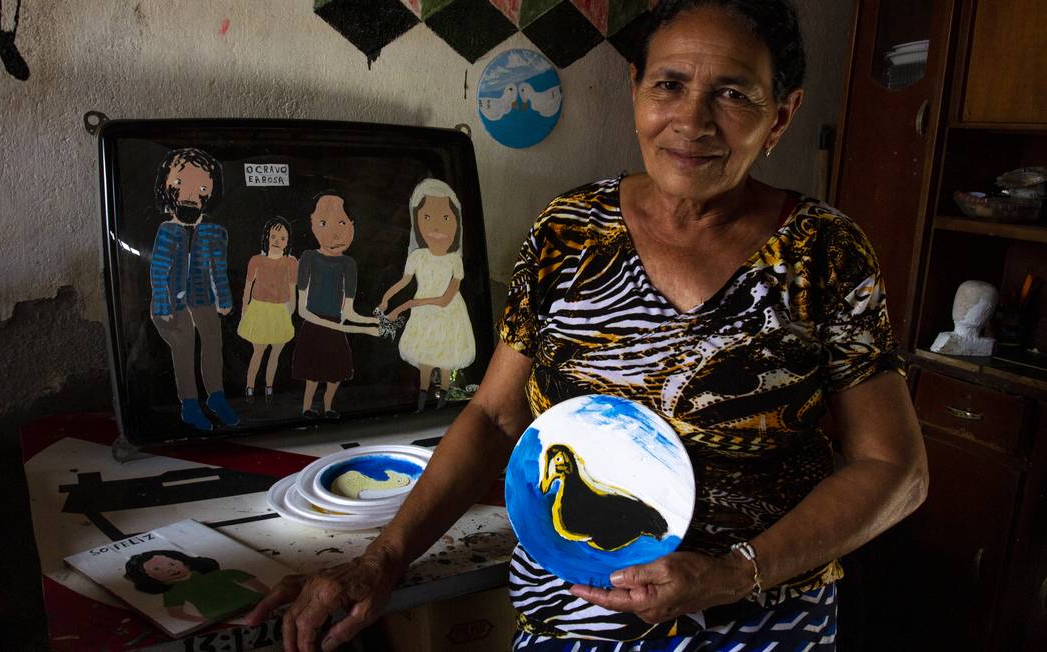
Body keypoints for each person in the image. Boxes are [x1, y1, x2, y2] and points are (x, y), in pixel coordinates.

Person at [245, 1, 928, 650]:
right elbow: (491, 418)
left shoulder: (823, 253)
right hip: (569, 619)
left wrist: (733, 574)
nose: (691, 121)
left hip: (757, 621)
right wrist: (381, 561)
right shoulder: (569, 230)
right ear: (636, 89)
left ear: (781, 117)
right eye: (670, 84)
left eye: (734, 94)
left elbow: (895, 469)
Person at [149, 147, 239, 431]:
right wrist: (163, 305)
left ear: (211, 192)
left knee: (213, 343)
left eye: (200, 187)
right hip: (172, 303)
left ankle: (216, 396)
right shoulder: (166, 231)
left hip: (203, 298)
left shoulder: (214, 232)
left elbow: (218, 271)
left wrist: (224, 299)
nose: (189, 194)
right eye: (180, 184)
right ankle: (189, 404)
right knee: (184, 347)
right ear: (167, 186)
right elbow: (158, 271)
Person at [378, 178, 477, 411]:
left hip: (448, 318)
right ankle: (420, 407)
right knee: (424, 363)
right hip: (423, 318)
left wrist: (405, 305)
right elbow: (404, 281)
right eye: (427, 218)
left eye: (445, 218)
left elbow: (445, 300)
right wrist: (385, 299)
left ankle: (440, 405)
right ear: (417, 223)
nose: (436, 227)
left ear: (456, 223)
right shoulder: (418, 257)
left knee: (443, 364)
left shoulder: (455, 261)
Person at [291, 191, 379, 419]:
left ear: (352, 225)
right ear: (313, 225)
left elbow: (348, 311)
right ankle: (307, 408)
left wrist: (374, 321)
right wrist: (362, 329)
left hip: (335, 325)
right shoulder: (308, 258)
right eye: (324, 222)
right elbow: (302, 310)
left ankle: (329, 407)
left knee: (335, 374)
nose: (335, 231)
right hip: (314, 325)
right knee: (313, 373)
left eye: (342, 222)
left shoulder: (348, 264)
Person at [238, 216, 298, 404]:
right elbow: (247, 287)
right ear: (267, 237)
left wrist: (290, 312)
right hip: (260, 310)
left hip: (280, 310)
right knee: (259, 350)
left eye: (282, 238)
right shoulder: (256, 260)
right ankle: (249, 387)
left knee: (276, 352)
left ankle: (269, 387)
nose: (277, 242)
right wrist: (244, 310)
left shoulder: (291, 262)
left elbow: (292, 289)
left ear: (287, 242)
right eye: (274, 237)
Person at [125, 549, 270, 622]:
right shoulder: (174, 592)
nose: (169, 569)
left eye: (171, 563)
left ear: (183, 561)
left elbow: (260, 586)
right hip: (219, 617)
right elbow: (175, 613)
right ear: (149, 577)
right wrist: (202, 621)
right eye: (157, 569)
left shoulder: (223, 574)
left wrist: (267, 598)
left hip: (258, 604)